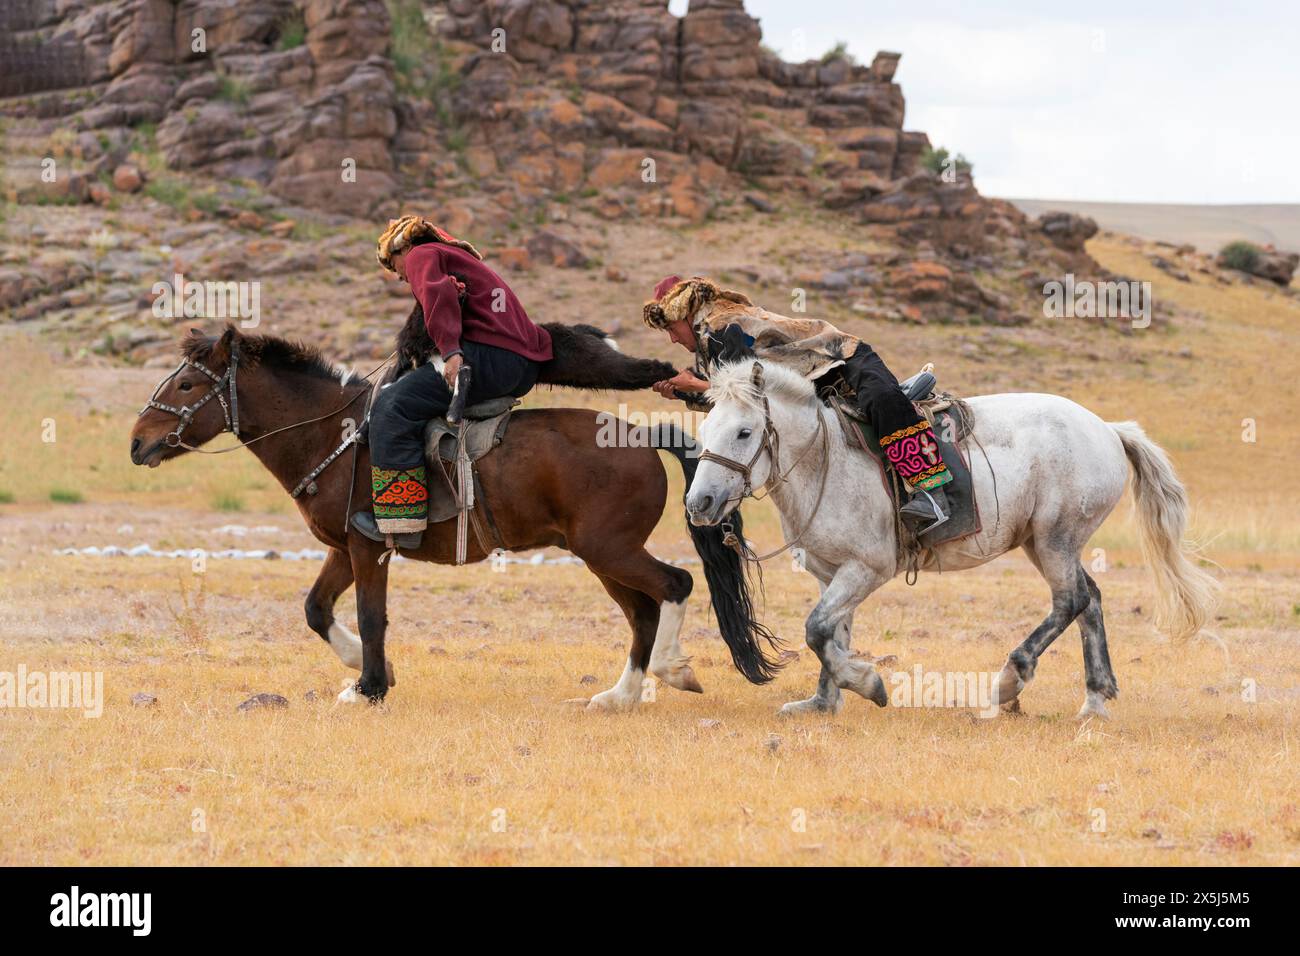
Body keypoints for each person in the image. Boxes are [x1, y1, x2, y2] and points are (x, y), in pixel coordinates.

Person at [644, 275, 952, 530]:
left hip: (843, 358)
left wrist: (694, 384)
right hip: (816, 382)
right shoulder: (708, 341)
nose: (672, 339)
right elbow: (742, 409)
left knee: (883, 399)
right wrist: (683, 392)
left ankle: (932, 492)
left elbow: (746, 387)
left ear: (685, 314)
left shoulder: (724, 327)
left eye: (671, 328)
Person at [352, 216, 553, 547]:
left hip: (490, 358)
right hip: (518, 362)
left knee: (392, 405)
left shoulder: (420, 254)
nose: (400, 275)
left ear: (401, 248)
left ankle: (402, 523)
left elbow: (439, 294)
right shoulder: (450, 257)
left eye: (394, 265)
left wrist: (450, 353)